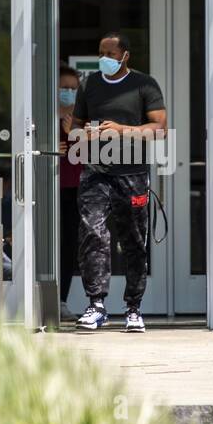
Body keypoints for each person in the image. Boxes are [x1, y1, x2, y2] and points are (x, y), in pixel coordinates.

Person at [70, 33, 167, 332]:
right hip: (96, 172)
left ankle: (133, 308)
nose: (105, 59)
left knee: (134, 241)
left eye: (110, 53)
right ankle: (96, 304)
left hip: (132, 174)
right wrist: (82, 134)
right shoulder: (90, 84)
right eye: (101, 53)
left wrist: (123, 130)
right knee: (93, 235)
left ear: (125, 56)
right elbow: (75, 126)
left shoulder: (144, 85)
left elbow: (159, 129)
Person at [57, 64, 83, 321]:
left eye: (73, 89)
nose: (68, 93)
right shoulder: (42, 117)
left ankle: (61, 300)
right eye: (64, 88)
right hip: (47, 189)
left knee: (67, 247)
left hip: (74, 190)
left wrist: (71, 132)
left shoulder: (82, 118)